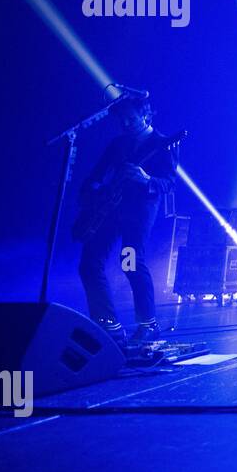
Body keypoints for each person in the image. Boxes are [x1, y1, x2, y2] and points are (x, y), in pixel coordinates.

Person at [78, 95, 179, 347]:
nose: (126, 123)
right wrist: (95, 190)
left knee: (131, 262)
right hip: (108, 210)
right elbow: (95, 176)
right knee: (89, 262)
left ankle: (149, 325)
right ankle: (107, 324)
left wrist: (146, 179)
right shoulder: (117, 144)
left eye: (131, 118)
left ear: (146, 115)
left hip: (138, 211)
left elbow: (168, 184)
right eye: (121, 119)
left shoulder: (163, 143)